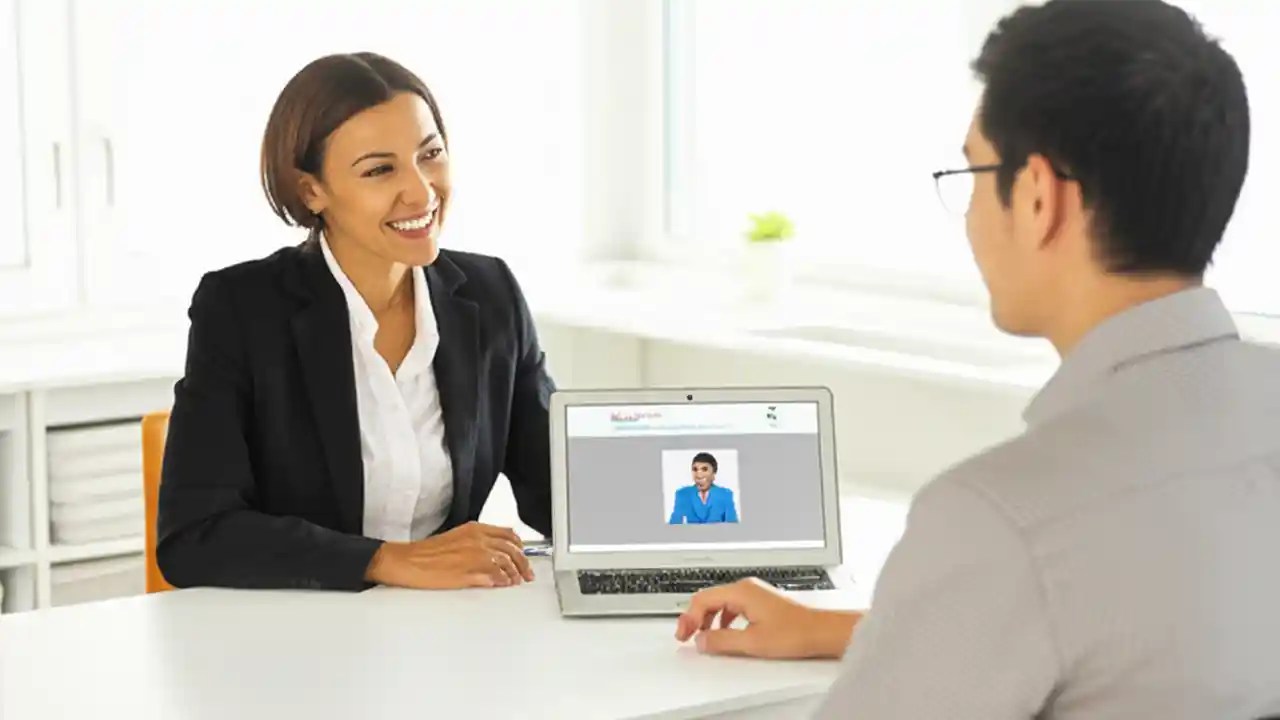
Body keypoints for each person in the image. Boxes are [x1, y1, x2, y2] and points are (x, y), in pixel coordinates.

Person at [674, 1, 1280, 717]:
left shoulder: (1002, 520)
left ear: (1036, 196)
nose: (968, 214)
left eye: (971, 173)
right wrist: (838, 629)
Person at [157, 52, 555, 592]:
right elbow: (196, 537)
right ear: (311, 191)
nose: (420, 191)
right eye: (379, 170)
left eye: (430, 154)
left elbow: (558, 490)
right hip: (297, 643)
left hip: (448, 632)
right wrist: (385, 560)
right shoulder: (241, 308)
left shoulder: (491, 295)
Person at [668, 452, 739, 524]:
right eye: (695, 469)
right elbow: (673, 526)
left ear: (714, 473)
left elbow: (733, 526)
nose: (699, 475)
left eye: (704, 469)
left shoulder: (725, 495)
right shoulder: (683, 494)